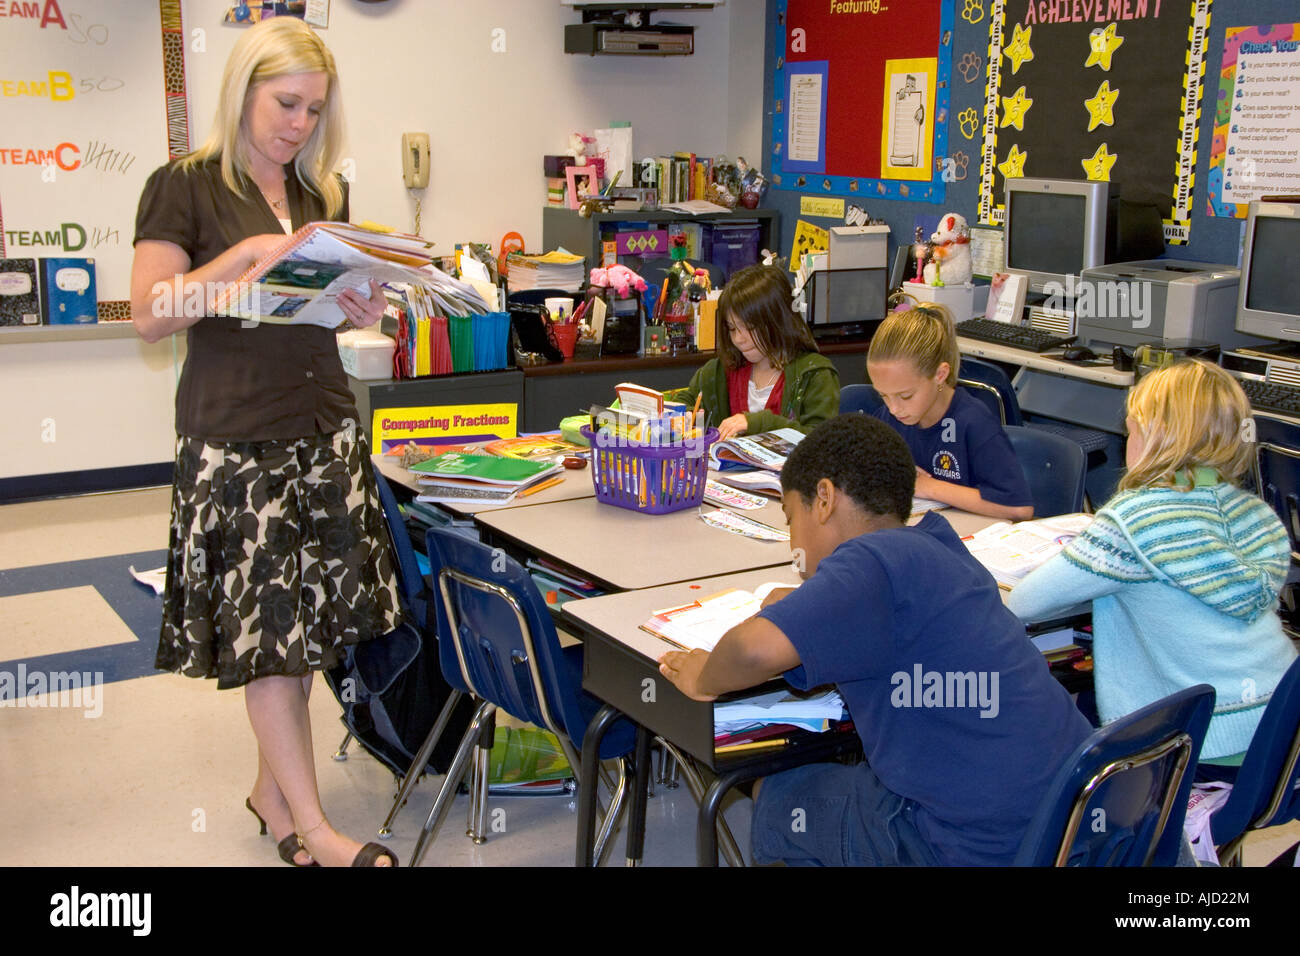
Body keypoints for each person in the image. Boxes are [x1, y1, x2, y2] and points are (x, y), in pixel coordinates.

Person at [131, 17, 400, 867]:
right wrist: (238, 258)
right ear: (243, 89)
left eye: (315, 111)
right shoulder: (183, 186)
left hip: (321, 427)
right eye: (286, 104)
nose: (300, 125)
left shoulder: (321, 196)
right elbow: (149, 314)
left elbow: (322, 308)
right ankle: (314, 830)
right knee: (272, 640)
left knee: (308, 632)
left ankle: (268, 792)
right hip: (237, 444)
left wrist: (364, 308)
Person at [658, 414, 1092, 865]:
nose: (793, 544)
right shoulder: (938, 544)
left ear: (823, 499)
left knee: (781, 791)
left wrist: (702, 678)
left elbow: (750, 649)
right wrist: (809, 602)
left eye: (791, 519)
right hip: (1074, 813)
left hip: (973, 845)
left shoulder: (867, 561)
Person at [1009, 360, 1298, 777]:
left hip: (1202, 745)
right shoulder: (1254, 513)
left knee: (1060, 741)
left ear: (1157, 437)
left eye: (1132, 431)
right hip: (1282, 729)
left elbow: (1024, 602)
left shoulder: (1136, 520)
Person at [867, 303, 1033, 519]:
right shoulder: (889, 418)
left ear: (940, 374)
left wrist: (929, 487)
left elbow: (1019, 509)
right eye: (883, 395)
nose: (894, 408)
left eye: (906, 396)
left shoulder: (973, 422)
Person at [664, 264, 839, 440]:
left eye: (750, 327)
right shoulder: (721, 370)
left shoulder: (814, 375)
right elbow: (684, 401)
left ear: (778, 320)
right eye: (732, 328)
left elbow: (822, 441)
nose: (739, 339)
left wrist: (757, 423)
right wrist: (683, 416)